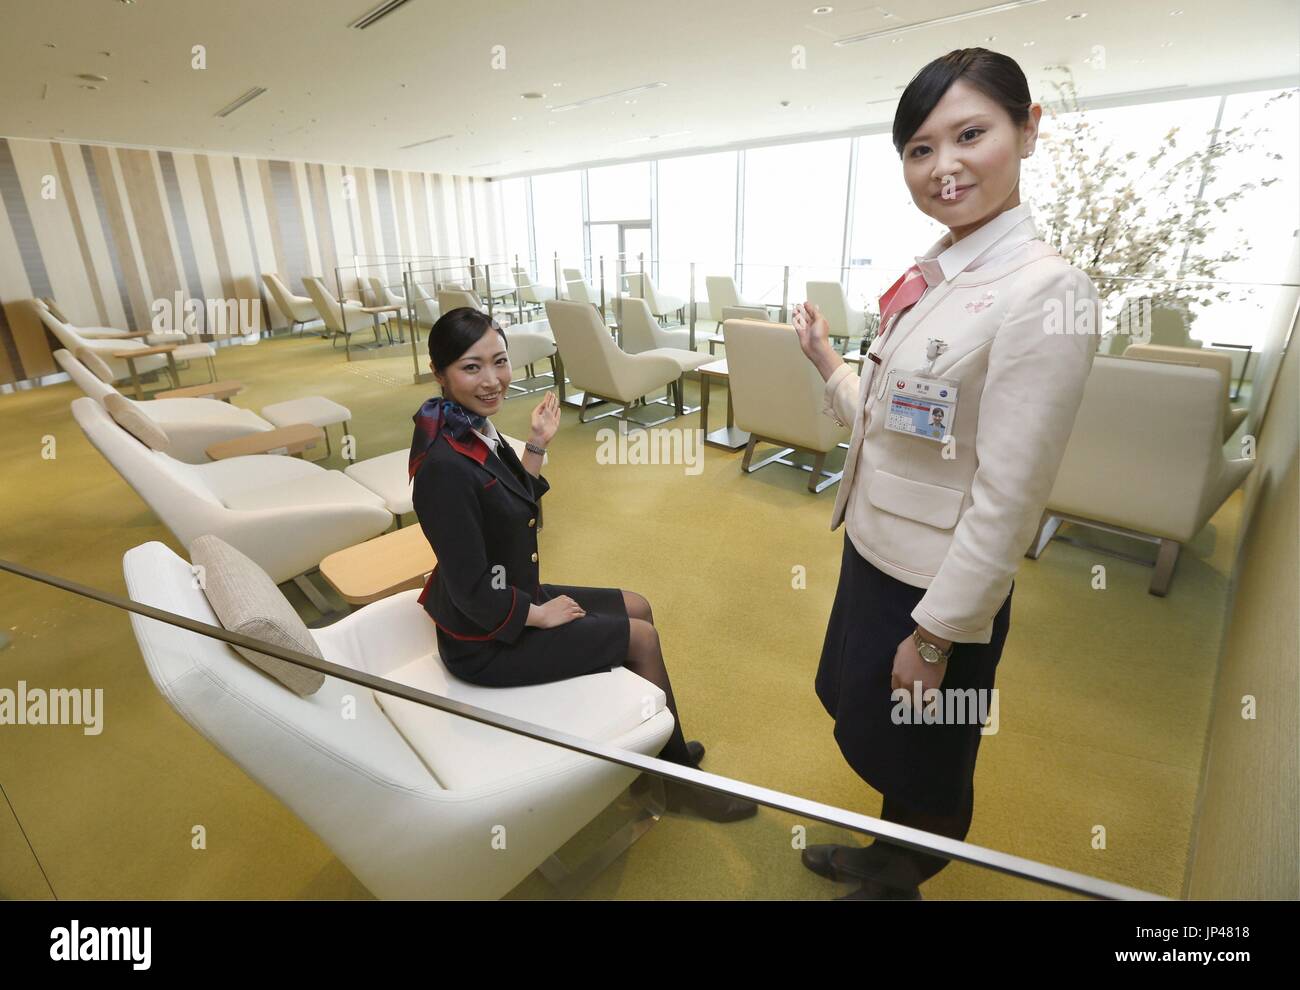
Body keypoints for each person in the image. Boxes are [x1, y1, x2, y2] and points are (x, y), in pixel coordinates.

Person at [791, 48, 1100, 898]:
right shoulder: (939, 274)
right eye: (920, 149)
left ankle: (898, 877)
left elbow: (1009, 497)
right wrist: (827, 364)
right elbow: (902, 427)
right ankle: (886, 857)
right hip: (876, 553)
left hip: (935, 588)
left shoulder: (1044, 292)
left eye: (971, 134)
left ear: (1028, 130)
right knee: (887, 732)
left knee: (928, 751)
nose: (943, 166)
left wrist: (936, 635)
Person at [409, 307, 756, 823]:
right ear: (441, 374)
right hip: (485, 639)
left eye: (499, 362)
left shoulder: (471, 428)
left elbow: (507, 506)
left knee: (638, 605)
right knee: (642, 639)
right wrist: (539, 615)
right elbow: (470, 592)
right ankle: (674, 774)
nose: (492, 379)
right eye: (471, 367)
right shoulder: (442, 464)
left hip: (512, 594)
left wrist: (536, 447)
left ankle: (648, 749)